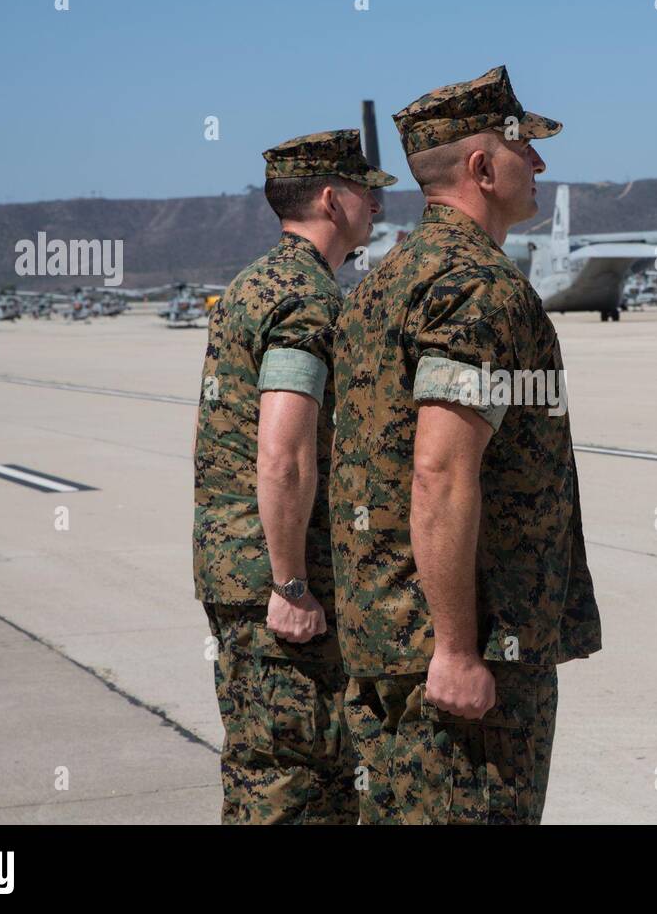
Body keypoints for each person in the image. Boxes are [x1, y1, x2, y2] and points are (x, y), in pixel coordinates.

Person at [330, 66, 602, 824]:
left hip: (388, 640)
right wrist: (455, 650)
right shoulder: (473, 288)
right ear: (483, 168)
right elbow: (441, 472)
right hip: (462, 660)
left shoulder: (386, 283)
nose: (540, 164)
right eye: (525, 148)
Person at [192, 129, 395, 823]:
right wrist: (291, 584)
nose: (376, 205)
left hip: (236, 569)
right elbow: (282, 453)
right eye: (368, 193)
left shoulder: (253, 283)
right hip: (279, 591)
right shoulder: (305, 298)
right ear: (334, 200)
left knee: (266, 771)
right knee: (292, 785)